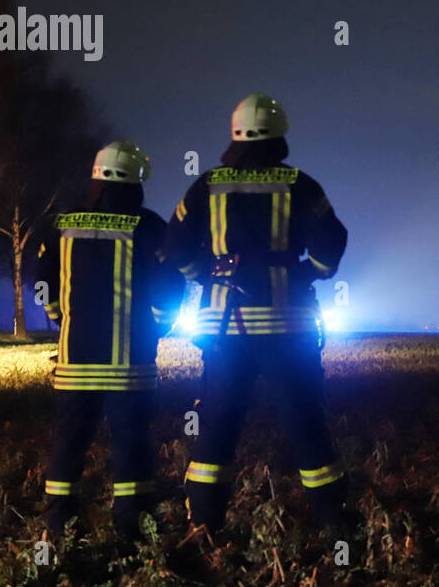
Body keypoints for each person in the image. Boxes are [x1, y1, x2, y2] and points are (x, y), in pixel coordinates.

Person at [165, 93, 351, 534]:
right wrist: (310, 274)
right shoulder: (301, 185)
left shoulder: (207, 184)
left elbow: (176, 247)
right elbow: (332, 244)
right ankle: (331, 522)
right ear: (280, 135)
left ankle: (204, 525)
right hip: (289, 329)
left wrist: (203, 275)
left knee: (218, 425)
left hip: (224, 330)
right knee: (306, 422)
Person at [37, 140, 183, 541]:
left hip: (75, 362)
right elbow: (171, 286)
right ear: (136, 182)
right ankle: (131, 525)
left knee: (68, 443)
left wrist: (60, 318)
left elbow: (42, 283)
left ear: (95, 179)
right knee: (131, 445)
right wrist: (158, 326)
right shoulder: (152, 227)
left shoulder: (59, 226)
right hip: (129, 366)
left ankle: (58, 522)